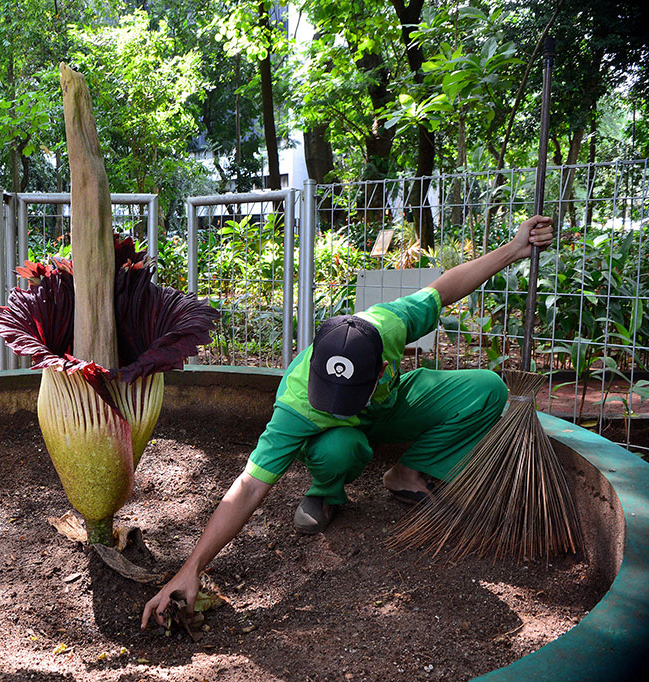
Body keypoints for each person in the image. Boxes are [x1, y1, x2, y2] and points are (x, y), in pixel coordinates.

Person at [141, 215, 555, 630]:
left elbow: (444, 288)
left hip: (389, 406)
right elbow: (248, 487)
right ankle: (325, 493)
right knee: (342, 446)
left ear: (377, 369)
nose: (338, 404)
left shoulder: (387, 324)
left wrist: (513, 249)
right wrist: (192, 566)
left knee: (486, 388)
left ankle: (408, 472)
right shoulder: (297, 402)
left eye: (348, 396)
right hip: (338, 438)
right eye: (330, 396)